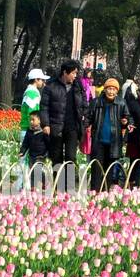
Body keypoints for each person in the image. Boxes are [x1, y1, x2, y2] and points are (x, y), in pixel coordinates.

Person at [41, 59, 87, 192]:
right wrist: (46, 124)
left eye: (76, 73)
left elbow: (84, 103)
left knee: (71, 157)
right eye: (73, 73)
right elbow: (44, 107)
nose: (75, 76)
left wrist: (84, 118)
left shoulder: (78, 86)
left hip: (73, 127)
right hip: (56, 126)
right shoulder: (51, 86)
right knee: (56, 157)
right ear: (64, 72)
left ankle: (70, 186)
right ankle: (58, 186)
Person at [87, 78, 129, 191]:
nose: (111, 92)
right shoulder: (96, 102)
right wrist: (86, 126)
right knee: (96, 168)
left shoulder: (121, 102)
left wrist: (126, 122)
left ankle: (105, 192)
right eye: (109, 89)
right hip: (98, 140)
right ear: (105, 90)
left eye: (114, 89)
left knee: (109, 169)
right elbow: (88, 117)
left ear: (117, 91)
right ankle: (94, 192)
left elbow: (128, 118)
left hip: (113, 142)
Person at [20, 69, 48, 147]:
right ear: (36, 80)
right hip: (29, 131)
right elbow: (32, 114)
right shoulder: (32, 93)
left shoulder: (30, 91)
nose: (43, 82)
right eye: (42, 80)